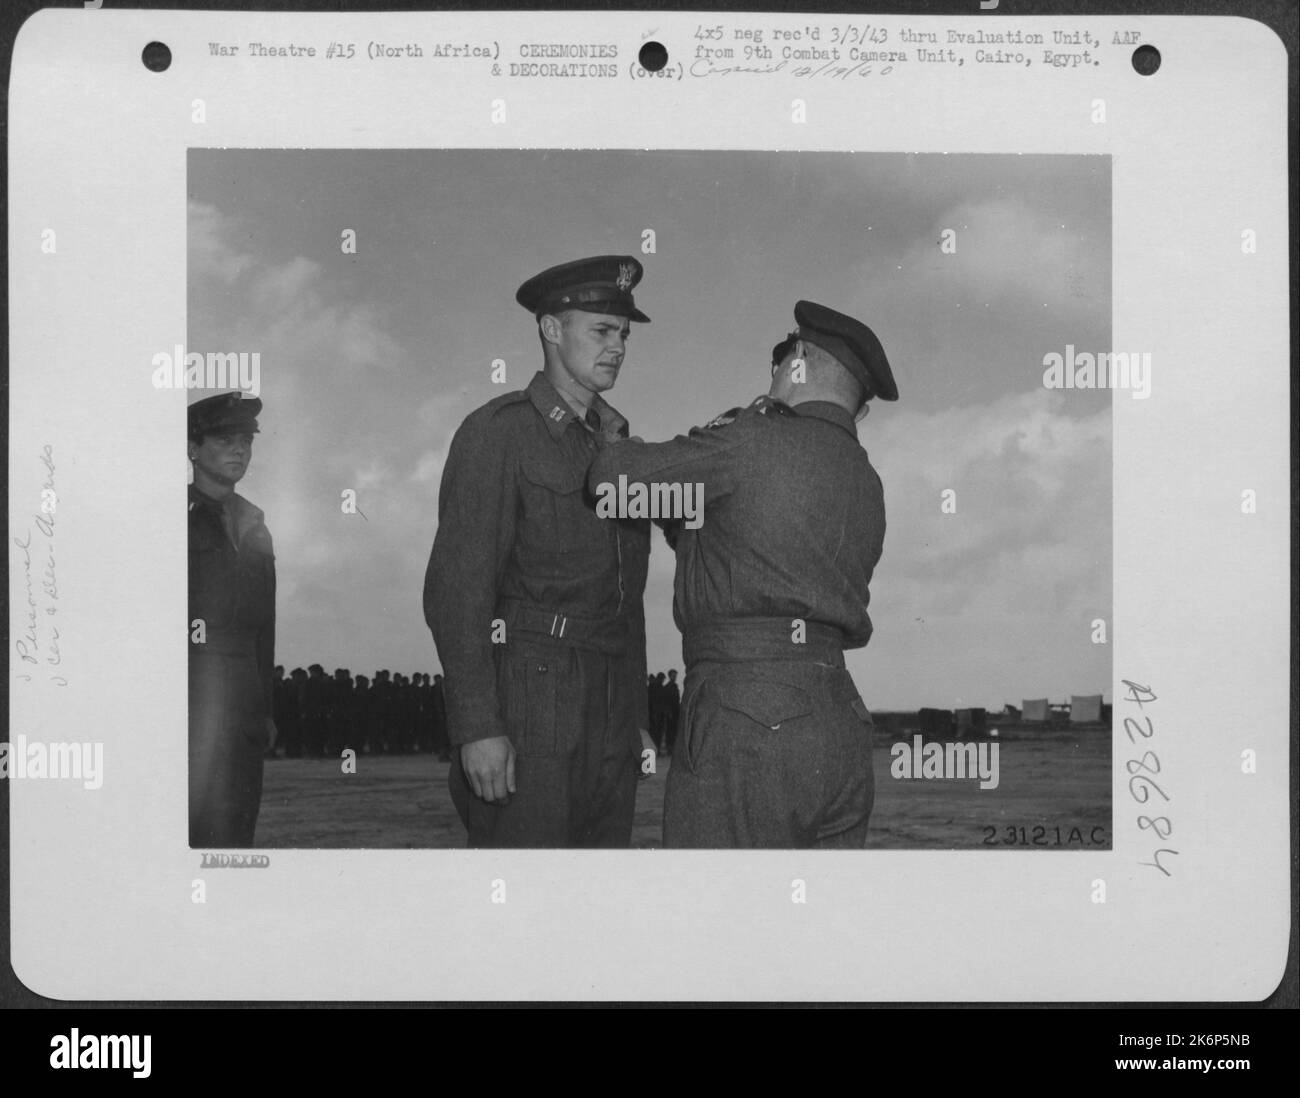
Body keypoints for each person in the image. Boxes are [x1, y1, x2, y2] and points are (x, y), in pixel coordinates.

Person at [588, 300, 898, 848]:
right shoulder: (865, 479)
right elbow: (737, 538)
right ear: (860, 407)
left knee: (720, 912)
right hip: (842, 717)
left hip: (747, 709)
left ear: (798, 359)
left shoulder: (751, 439)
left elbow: (613, 482)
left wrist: (620, 443)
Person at [424, 255, 655, 847]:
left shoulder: (621, 449)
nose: (618, 347)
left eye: (623, 334)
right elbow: (458, 591)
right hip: (531, 704)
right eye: (601, 331)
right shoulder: (499, 433)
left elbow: (628, 603)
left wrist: (636, 721)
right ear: (551, 329)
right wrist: (477, 726)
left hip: (609, 713)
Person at [188, 392, 277, 848]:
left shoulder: (255, 525)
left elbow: (266, 629)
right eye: (225, 439)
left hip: (243, 704)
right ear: (193, 449)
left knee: (238, 831)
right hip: (189, 703)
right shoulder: (171, 521)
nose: (240, 449)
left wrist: (266, 707)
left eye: (246, 440)